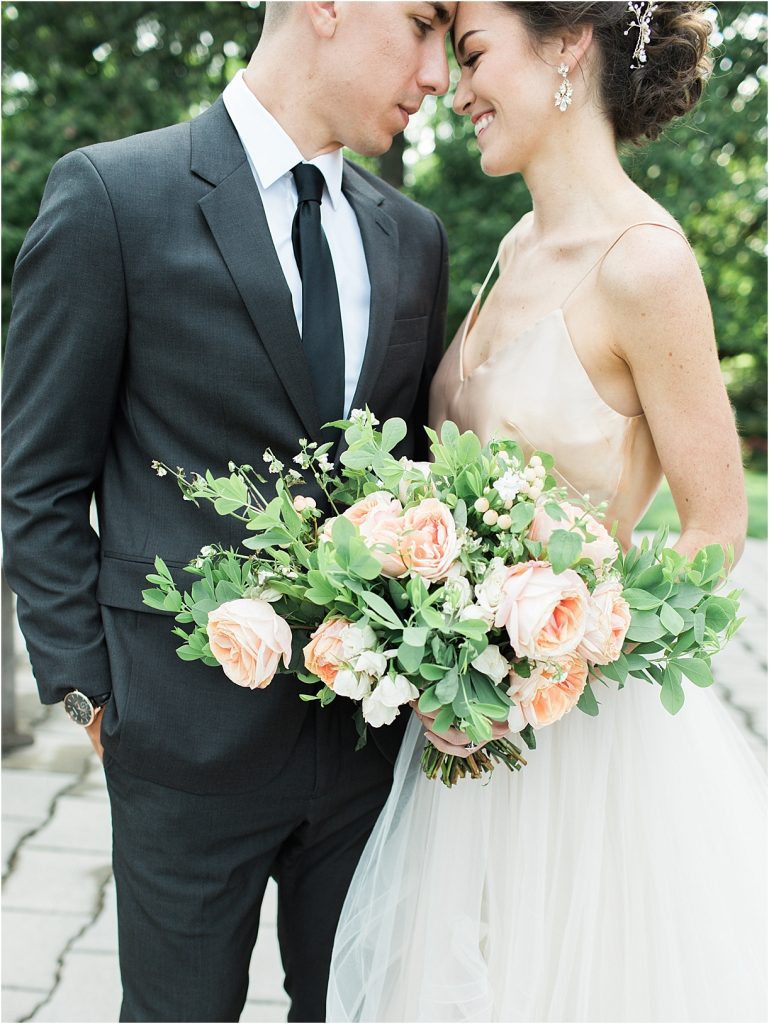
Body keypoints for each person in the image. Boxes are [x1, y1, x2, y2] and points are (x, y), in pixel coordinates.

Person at [2, 2, 457, 1020]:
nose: (436, 73)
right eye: (423, 23)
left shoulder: (412, 237)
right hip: (176, 738)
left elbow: (413, 474)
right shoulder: (113, 197)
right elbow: (34, 478)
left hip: (363, 745)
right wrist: (86, 693)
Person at [327, 3, 768, 1021]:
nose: (455, 86)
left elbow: (713, 527)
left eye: (475, 53)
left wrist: (538, 658)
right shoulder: (517, 243)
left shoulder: (645, 265)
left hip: (578, 742)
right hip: (459, 721)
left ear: (568, 47)